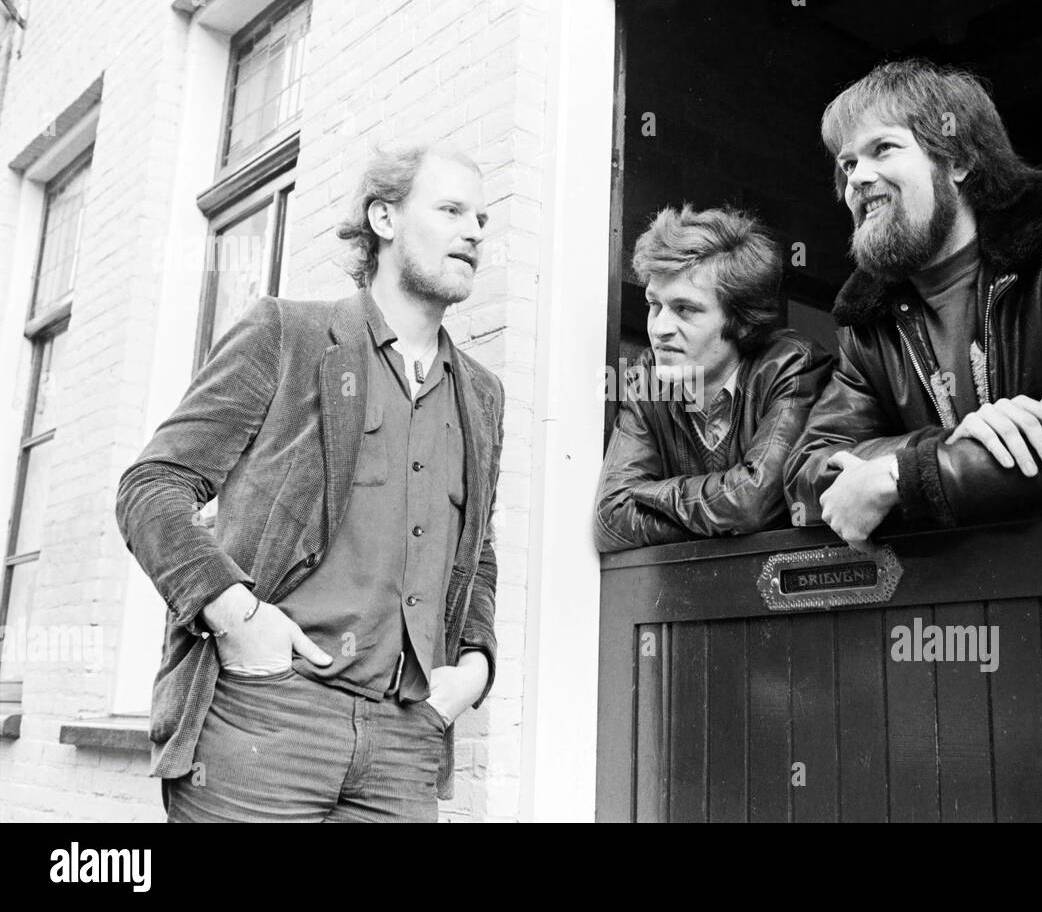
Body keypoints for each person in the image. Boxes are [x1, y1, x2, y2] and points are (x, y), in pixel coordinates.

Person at [116, 139, 503, 821]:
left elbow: (477, 550)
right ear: (384, 219)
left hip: (404, 743)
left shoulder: (481, 394)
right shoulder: (286, 335)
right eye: (451, 210)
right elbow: (152, 487)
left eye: (482, 219)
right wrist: (238, 616)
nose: (474, 230)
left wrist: (475, 666)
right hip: (264, 719)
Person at [785, 58, 1042, 550]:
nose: (856, 179)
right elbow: (810, 471)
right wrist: (927, 458)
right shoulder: (866, 322)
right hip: (954, 590)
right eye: (848, 163)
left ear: (958, 162)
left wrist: (899, 477)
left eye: (883, 149)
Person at [595, 205, 832, 551]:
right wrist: (723, 510)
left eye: (685, 309)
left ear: (742, 320)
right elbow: (611, 518)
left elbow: (751, 502)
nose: (660, 329)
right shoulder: (647, 379)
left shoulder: (791, 365)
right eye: (654, 305)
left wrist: (646, 494)